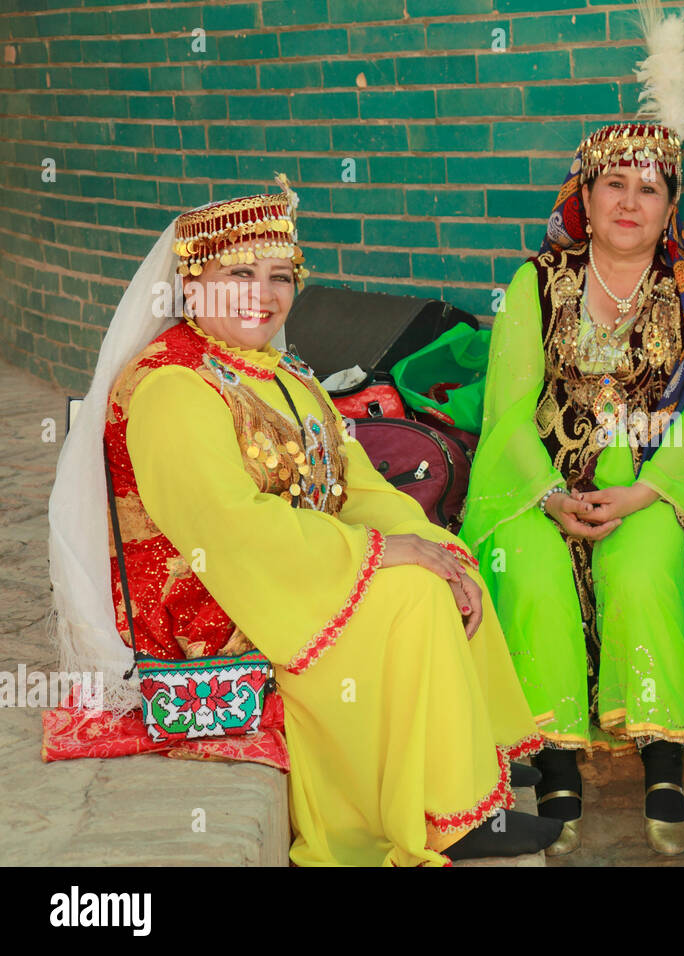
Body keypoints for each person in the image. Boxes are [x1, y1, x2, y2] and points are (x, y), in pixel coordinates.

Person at [45, 177, 561, 866]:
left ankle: (462, 756)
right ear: (192, 286)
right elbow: (230, 532)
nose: (263, 293)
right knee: (406, 592)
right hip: (216, 607)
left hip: (289, 567)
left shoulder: (275, 367)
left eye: (280, 276)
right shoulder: (171, 387)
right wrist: (378, 554)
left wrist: (423, 540)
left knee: (442, 559)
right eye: (239, 274)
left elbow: (353, 480)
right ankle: (447, 818)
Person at [460, 0, 684, 857]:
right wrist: (551, 494)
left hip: (647, 481)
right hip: (539, 481)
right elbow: (508, 409)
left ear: (672, 202)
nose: (631, 202)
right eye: (614, 185)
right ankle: (556, 770)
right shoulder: (536, 283)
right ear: (584, 196)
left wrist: (642, 492)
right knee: (529, 571)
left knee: (646, 561)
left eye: (650, 187)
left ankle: (665, 757)